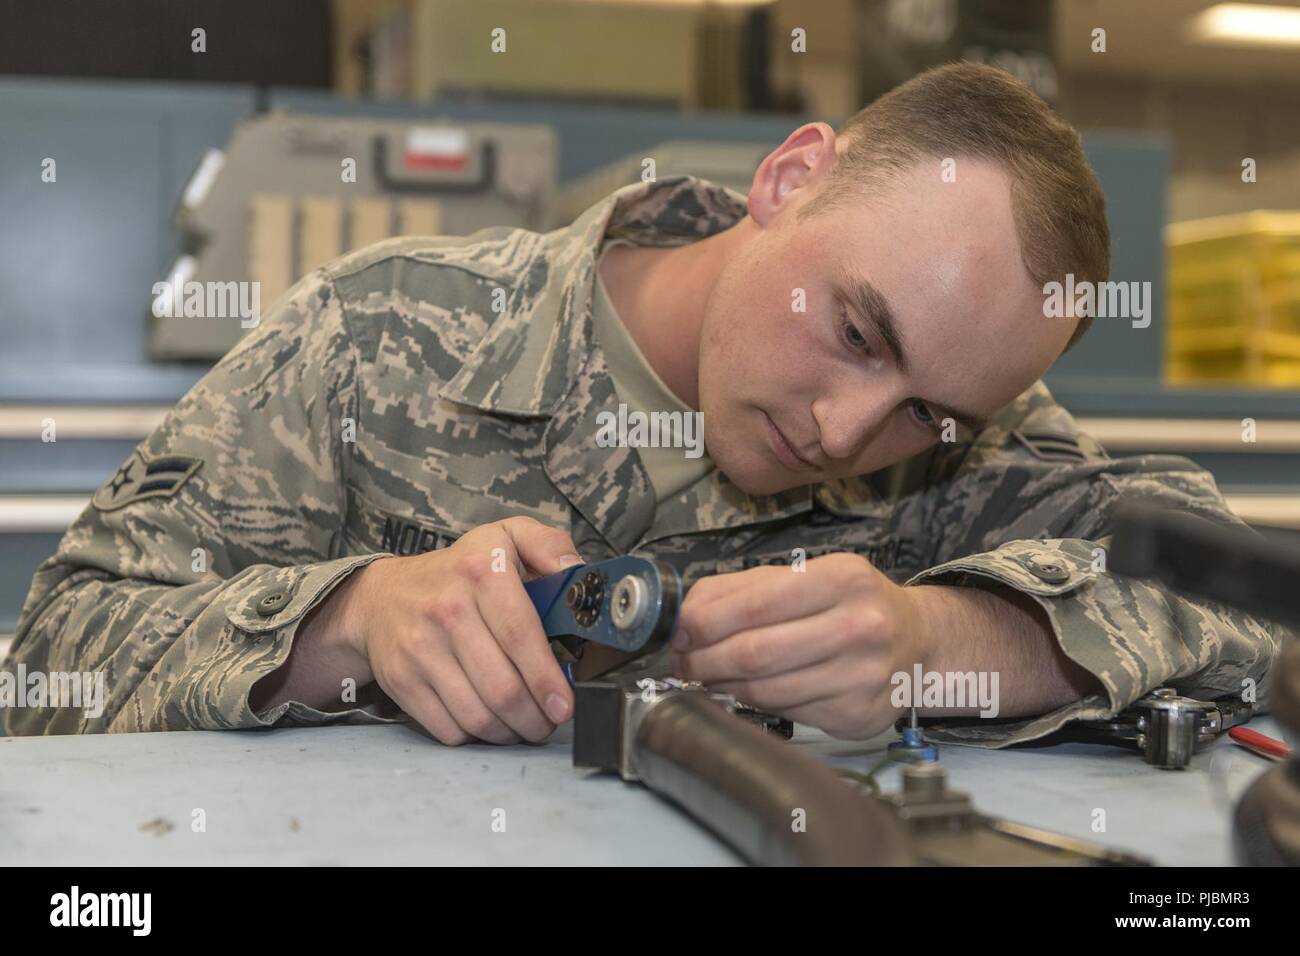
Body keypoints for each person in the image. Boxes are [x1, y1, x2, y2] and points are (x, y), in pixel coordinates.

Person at [4, 63, 1284, 746]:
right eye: (852, 331)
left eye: (923, 411)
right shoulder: (372, 336)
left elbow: (1220, 590)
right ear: (790, 179)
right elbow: (51, 659)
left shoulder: (952, 436)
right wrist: (344, 621)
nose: (849, 433)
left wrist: (935, 644)